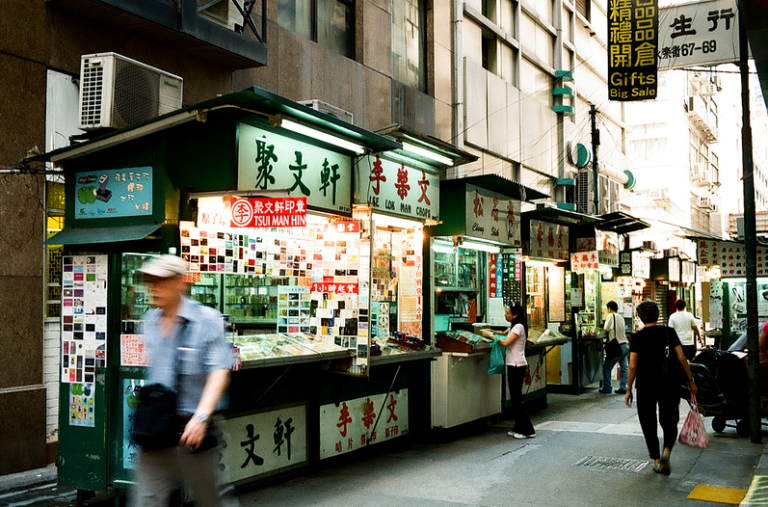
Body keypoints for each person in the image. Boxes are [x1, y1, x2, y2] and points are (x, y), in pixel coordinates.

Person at [129, 255, 236, 507]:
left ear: (180, 283)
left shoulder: (206, 320)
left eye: (161, 281)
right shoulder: (149, 321)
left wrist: (201, 418)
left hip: (193, 433)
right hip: (156, 432)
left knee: (212, 501)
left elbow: (219, 371)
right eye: (150, 282)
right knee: (146, 501)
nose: (153, 288)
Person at [625, 300, 697, 476]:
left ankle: (657, 460)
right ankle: (667, 451)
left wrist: (628, 388)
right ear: (658, 315)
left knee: (648, 420)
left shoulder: (637, 337)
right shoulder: (668, 332)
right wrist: (690, 379)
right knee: (669, 419)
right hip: (669, 382)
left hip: (645, 384)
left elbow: (633, 366)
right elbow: (681, 357)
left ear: (640, 317)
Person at [483, 302, 535, 439]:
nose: (505, 315)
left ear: (515, 315)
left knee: (517, 399)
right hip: (513, 364)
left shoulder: (518, 327)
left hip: (517, 365)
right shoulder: (514, 326)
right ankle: (518, 427)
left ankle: (527, 429)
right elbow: (504, 334)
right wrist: (491, 332)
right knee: (514, 398)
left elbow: (506, 343)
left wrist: (491, 336)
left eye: (508, 313)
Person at [599, 301, 629, 395]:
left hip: (616, 347)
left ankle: (607, 387)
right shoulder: (621, 317)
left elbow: (606, 329)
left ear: (609, 308)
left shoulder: (611, 316)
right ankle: (623, 387)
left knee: (607, 367)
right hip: (625, 345)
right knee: (624, 368)